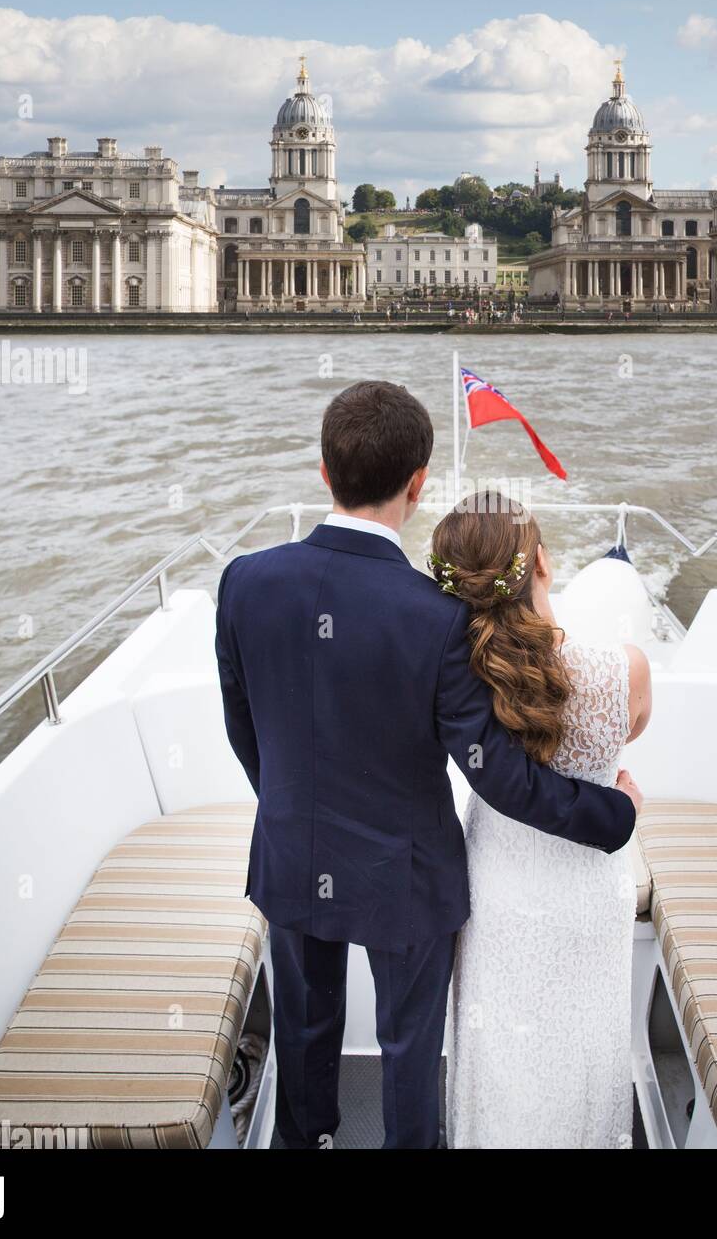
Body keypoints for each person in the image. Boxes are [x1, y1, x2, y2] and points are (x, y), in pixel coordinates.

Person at [215, 383, 641, 1150]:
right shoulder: (438, 617)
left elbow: (244, 729)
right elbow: (496, 776)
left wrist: (290, 809)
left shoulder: (245, 582)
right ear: (418, 485)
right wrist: (615, 814)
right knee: (408, 1054)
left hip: (291, 854)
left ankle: (305, 1139)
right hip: (404, 875)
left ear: (323, 471)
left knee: (305, 1035)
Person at [434, 494, 652, 1148]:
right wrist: (625, 806)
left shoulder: (464, 678)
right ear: (543, 565)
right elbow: (633, 731)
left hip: (497, 884)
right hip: (588, 888)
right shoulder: (625, 671)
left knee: (497, 1047)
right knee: (583, 1045)